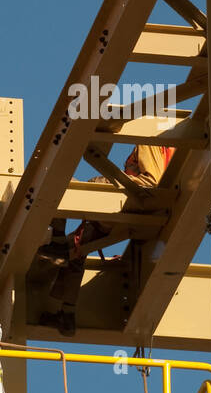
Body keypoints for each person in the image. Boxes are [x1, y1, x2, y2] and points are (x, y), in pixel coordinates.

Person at [39, 144, 175, 335]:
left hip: (132, 203)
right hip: (133, 212)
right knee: (76, 247)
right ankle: (67, 314)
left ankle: (57, 239)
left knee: (60, 178)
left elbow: (150, 182)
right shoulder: (171, 152)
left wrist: (115, 183)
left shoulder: (151, 143)